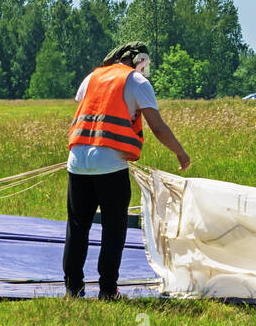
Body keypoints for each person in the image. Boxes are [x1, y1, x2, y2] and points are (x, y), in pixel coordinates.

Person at [63, 41, 191, 299]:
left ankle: (73, 289)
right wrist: (180, 152)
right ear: (140, 60)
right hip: (110, 164)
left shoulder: (92, 77)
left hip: (77, 162)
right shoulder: (137, 82)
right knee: (113, 229)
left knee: (77, 227)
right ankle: (108, 291)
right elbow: (157, 127)